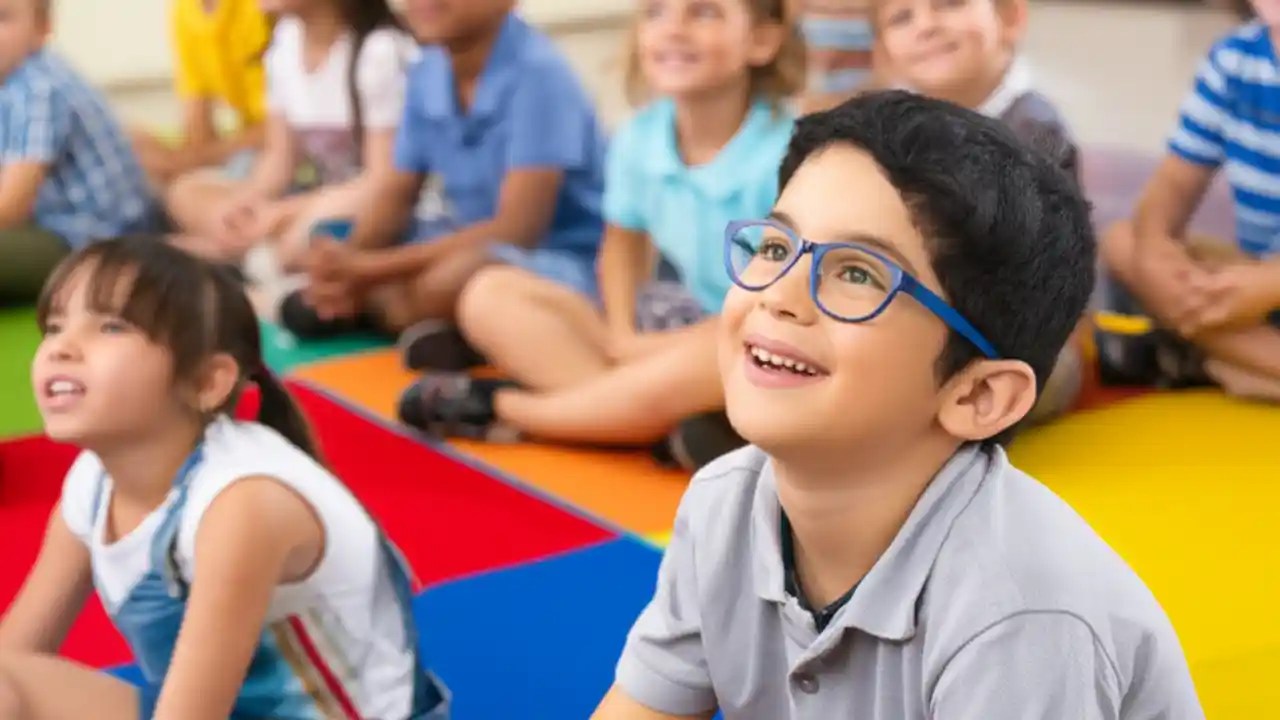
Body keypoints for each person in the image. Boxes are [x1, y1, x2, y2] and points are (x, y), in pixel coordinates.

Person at [592, 92, 1203, 719]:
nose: (780, 293)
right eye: (777, 247)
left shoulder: (1016, 616)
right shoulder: (725, 506)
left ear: (977, 394)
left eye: (858, 274)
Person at [0, 237, 448, 719]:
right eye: (55, 326)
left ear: (206, 382)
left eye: (110, 326)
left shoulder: (242, 504)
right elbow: (15, 655)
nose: (62, 348)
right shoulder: (95, 480)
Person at [396, 0, 804, 470]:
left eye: (705, 13)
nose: (674, 29)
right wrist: (621, 331)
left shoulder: (786, 154)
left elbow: (773, 304)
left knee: (722, 353)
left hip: (752, 331)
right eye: (656, 13)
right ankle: (649, 419)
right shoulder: (640, 136)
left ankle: (512, 408)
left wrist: (649, 350)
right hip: (670, 326)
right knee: (488, 294)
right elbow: (621, 247)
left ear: (762, 41)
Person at [284, 0, 607, 341]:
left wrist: (372, 270)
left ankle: (400, 313)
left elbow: (518, 230)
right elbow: (396, 193)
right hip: (465, 236)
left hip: (558, 258)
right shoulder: (427, 71)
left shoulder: (540, 74)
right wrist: (345, 264)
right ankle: (417, 318)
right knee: (331, 234)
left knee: (460, 277)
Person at [874, 0, 1084, 424]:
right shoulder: (891, 128)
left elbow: (1031, 272)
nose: (927, 26)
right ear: (883, 54)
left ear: (1010, 18)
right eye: (902, 17)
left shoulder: (1033, 129)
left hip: (1010, 334)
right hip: (919, 320)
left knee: (1038, 376)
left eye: (949, 4)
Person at [1095, 0, 1280, 401]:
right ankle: (1242, 367)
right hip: (1249, 280)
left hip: (1262, 284)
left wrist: (1270, 284)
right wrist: (1157, 253)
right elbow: (1175, 183)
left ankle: (1213, 359)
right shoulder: (1232, 61)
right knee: (1123, 240)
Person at [165, 0, 415, 270]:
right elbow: (278, 160)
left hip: (366, 201)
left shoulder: (379, 50)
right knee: (186, 191)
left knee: (306, 237)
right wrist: (246, 206)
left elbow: (383, 182)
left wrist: (282, 214)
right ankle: (248, 254)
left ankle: (240, 257)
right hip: (315, 196)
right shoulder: (285, 42)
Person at [0, 0, 158, 306]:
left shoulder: (37, 87)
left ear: (42, 28)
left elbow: (11, 206)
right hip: (54, 222)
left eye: (2, 18)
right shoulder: (12, 81)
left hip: (95, 241)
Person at [131, 0, 272, 190]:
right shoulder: (185, 10)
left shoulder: (264, 7)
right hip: (242, 143)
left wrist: (193, 160)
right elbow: (197, 124)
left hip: (283, 145)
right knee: (134, 143)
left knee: (241, 171)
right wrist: (179, 161)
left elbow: (285, 127)